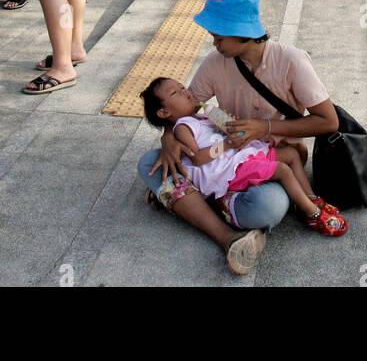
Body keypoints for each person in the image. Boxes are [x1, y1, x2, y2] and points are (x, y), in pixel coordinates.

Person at [139, 0, 344, 275]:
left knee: (269, 206)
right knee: (149, 163)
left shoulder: (291, 60)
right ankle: (225, 231)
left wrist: (265, 128)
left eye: (219, 37)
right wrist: (168, 138)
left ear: (243, 34)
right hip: (223, 158)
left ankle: (188, 202)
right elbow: (184, 110)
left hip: (270, 157)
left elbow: (328, 122)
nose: (214, 44)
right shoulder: (215, 64)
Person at [140, 76, 348, 247]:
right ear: (164, 112)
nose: (186, 91)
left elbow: (232, 132)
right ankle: (312, 213)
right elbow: (197, 157)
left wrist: (229, 124)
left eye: (182, 86)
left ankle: (311, 198)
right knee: (282, 170)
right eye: (176, 93)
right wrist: (228, 144)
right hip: (228, 169)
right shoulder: (184, 126)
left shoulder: (202, 117)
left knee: (291, 155)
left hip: (241, 156)